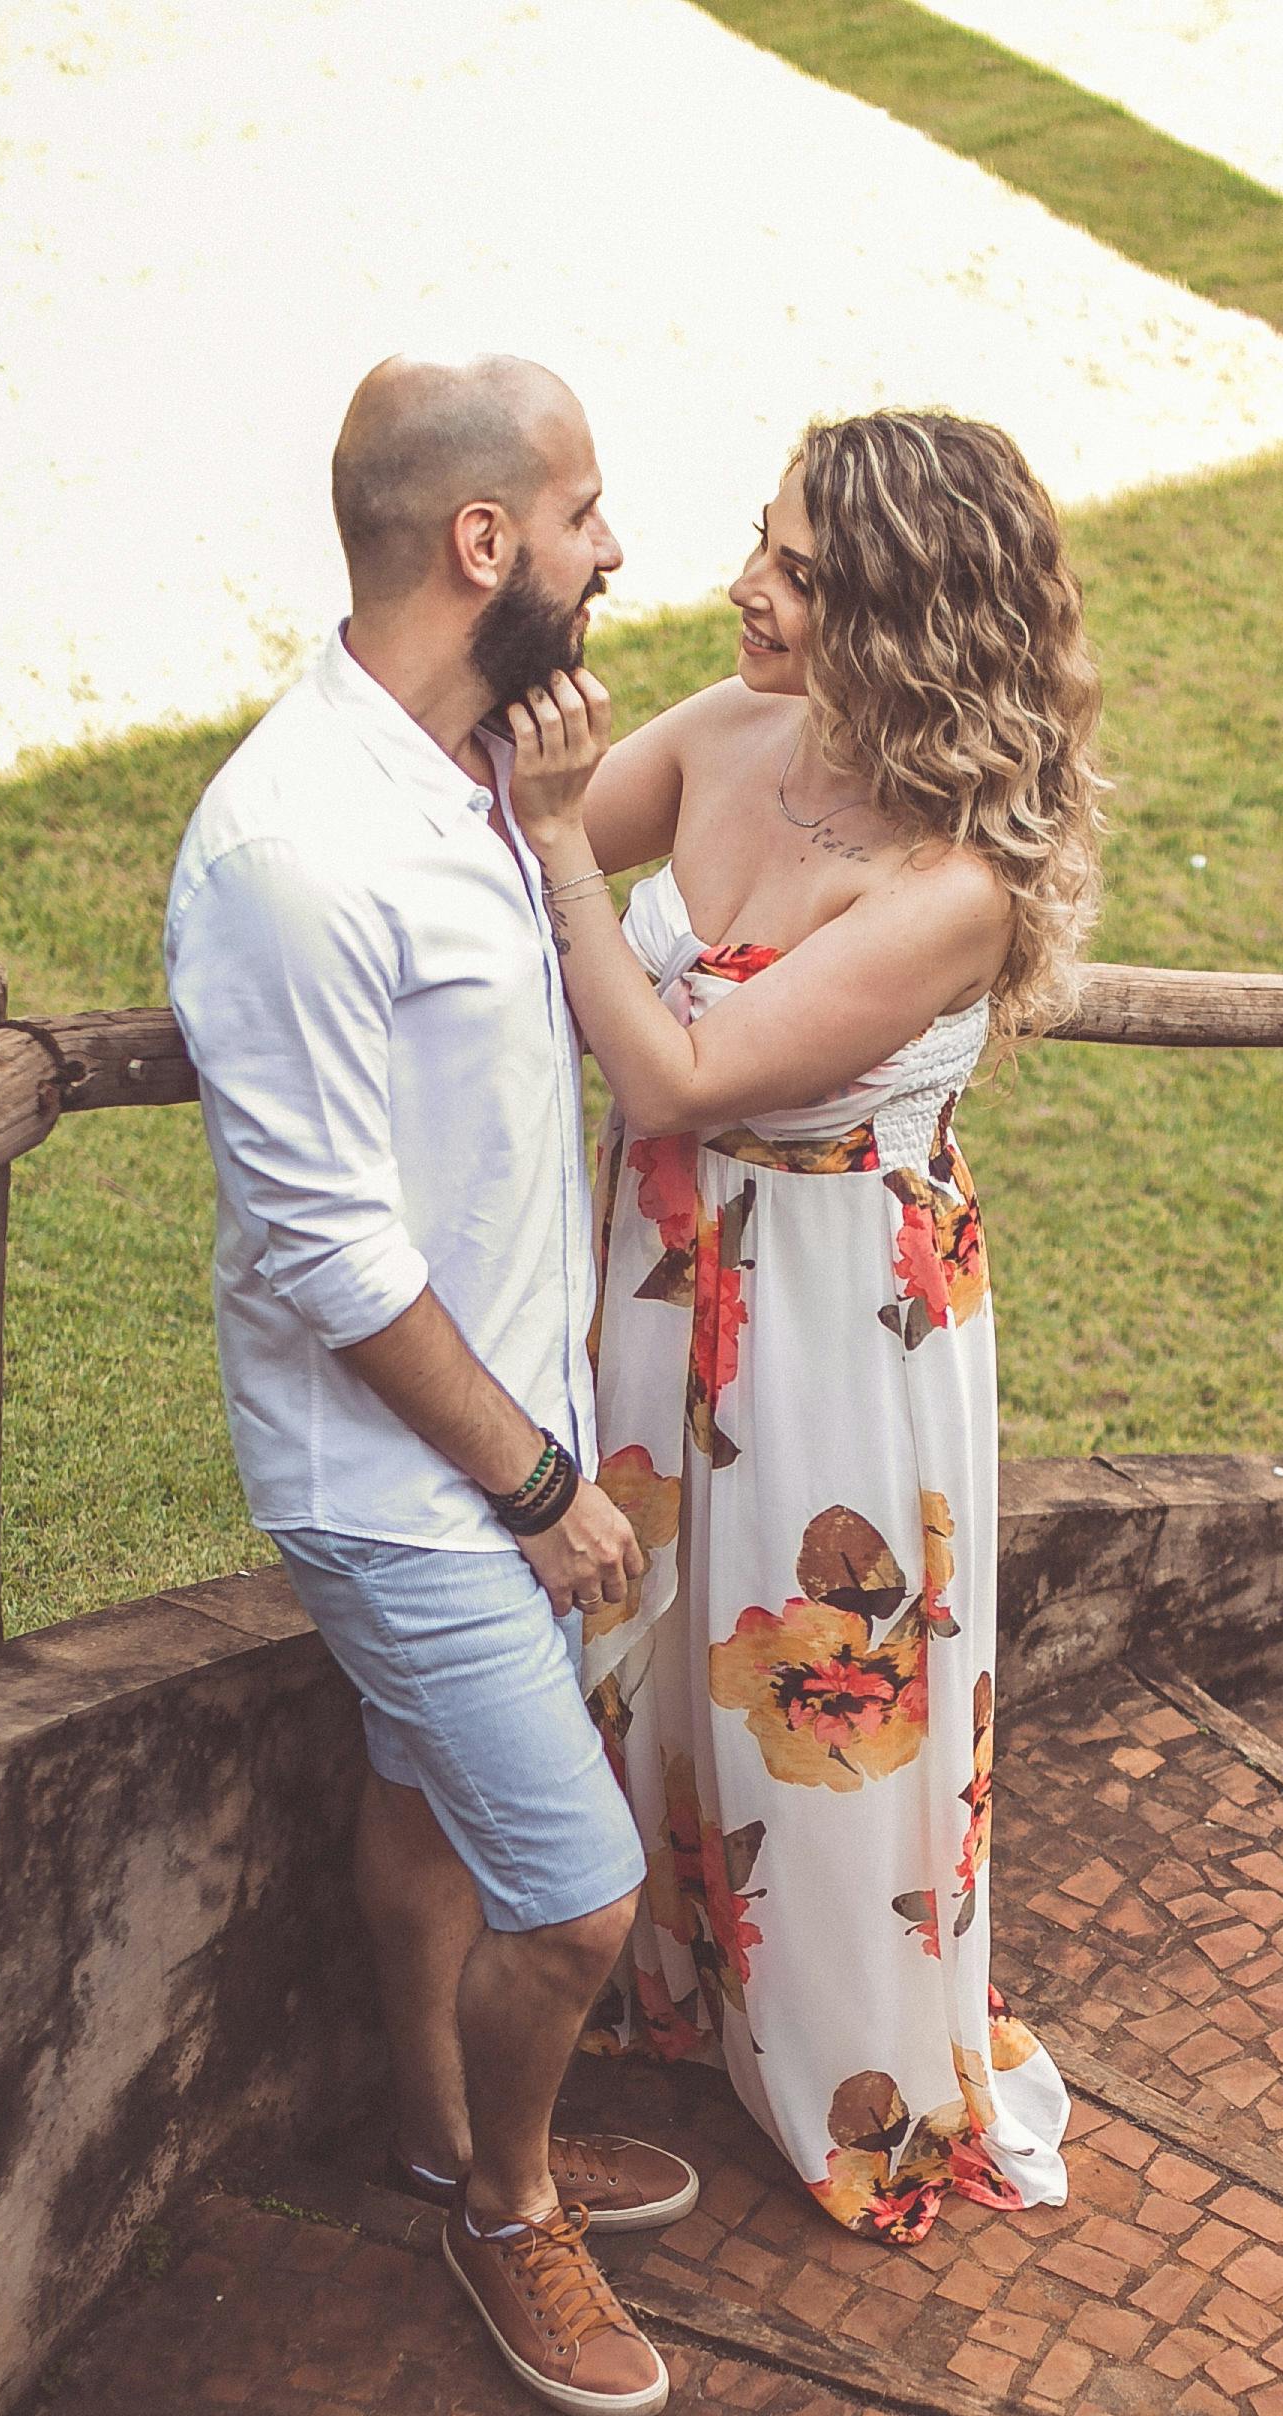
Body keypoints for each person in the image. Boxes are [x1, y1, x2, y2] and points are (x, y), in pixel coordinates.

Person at [165, 353, 708, 2416]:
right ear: (481, 545)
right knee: (573, 1900)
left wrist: (556, 819)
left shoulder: (476, 769)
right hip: (407, 1483)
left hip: (479, 1445)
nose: (613, 548)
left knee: (427, 1817)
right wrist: (538, 1483)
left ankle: (431, 2129)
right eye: (583, 514)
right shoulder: (295, 848)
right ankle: (507, 2204)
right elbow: (324, 1252)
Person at [493, 408, 1098, 2244]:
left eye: (802, 578)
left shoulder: (950, 890)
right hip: (664, 1286)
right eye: (761, 542)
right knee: (657, 1657)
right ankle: (673, 1981)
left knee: (814, 1680)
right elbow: (485, 855)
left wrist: (553, 842)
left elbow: (675, 1069)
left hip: (840, 1324)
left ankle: (840, 2040)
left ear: (910, 619)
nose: (745, 589)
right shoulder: (741, 730)